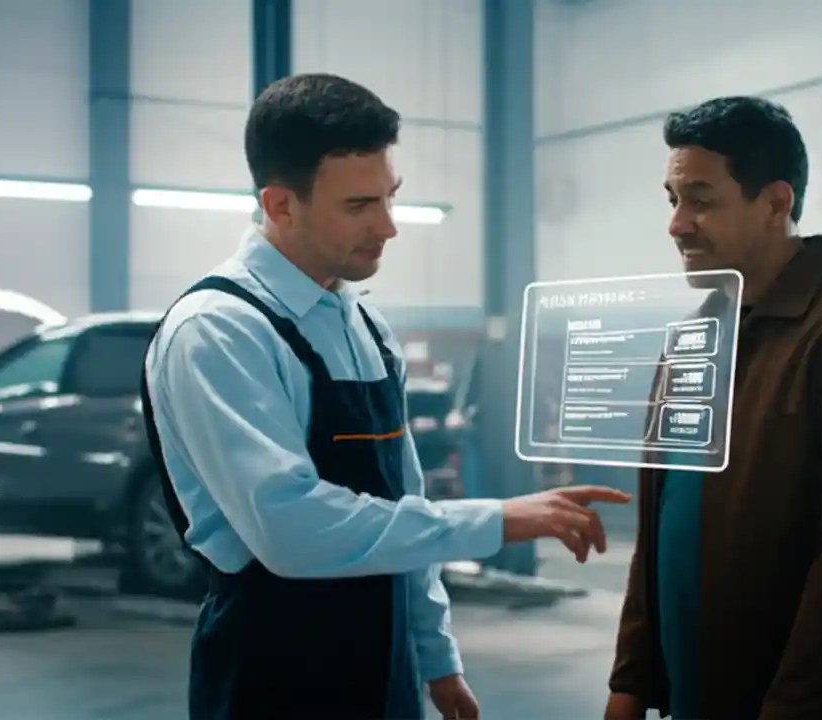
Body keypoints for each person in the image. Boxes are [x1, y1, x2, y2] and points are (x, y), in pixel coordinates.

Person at [140, 73, 630, 720]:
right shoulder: (220, 331)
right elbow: (290, 528)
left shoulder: (363, 323)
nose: (388, 227)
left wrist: (435, 656)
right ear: (281, 205)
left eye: (390, 197)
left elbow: (404, 504)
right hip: (275, 675)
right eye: (359, 206)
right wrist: (498, 519)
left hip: (386, 670)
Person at [604, 96, 822, 720]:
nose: (677, 224)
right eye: (672, 199)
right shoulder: (693, 341)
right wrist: (630, 682)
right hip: (693, 692)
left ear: (775, 204)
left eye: (701, 199)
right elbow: (659, 529)